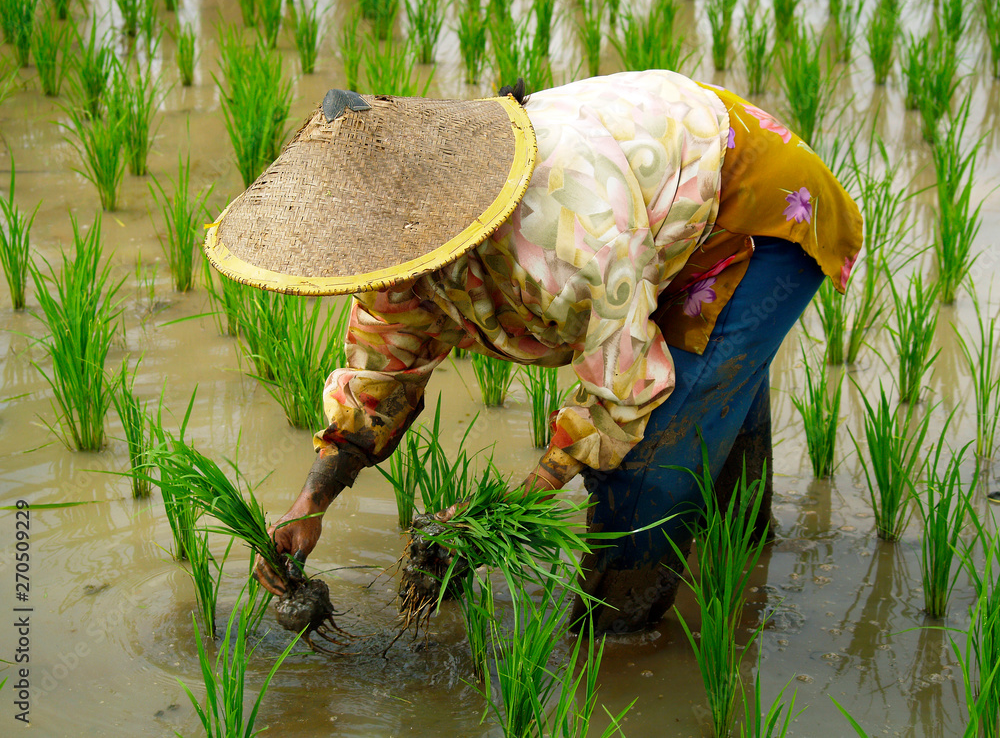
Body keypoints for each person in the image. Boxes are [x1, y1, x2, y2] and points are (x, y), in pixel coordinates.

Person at [206, 70, 863, 634]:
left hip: (755, 207)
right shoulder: (401, 257)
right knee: (708, 400)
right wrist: (312, 500)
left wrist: (495, 515)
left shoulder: (562, 236)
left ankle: (621, 635)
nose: (379, 275)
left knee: (644, 464)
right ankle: (743, 550)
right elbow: (380, 372)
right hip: (657, 209)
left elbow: (621, 396)